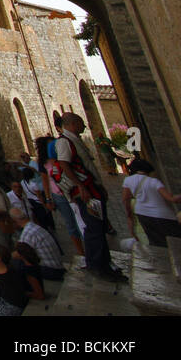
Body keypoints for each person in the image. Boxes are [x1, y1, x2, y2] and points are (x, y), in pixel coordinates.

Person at [54, 112, 126, 281]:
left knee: (99, 227)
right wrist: (80, 186)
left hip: (91, 189)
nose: (85, 126)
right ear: (72, 124)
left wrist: (99, 186)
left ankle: (103, 263)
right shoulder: (65, 142)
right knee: (94, 228)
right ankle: (98, 266)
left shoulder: (73, 140)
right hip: (85, 192)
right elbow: (64, 164)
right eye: (80, 123)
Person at [37, 136, 85, 261]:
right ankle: (81, 251)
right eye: (49, 145)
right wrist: (48, 199)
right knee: (70, 223)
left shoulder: (62, 158)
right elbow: (45, 181)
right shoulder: (43, 163)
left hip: (73, 192)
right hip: (59, 195)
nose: (52, 146)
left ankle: (89, 244)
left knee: (83, 219)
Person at [122, 158, 181, 247]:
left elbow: (125, 199)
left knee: (157, 243)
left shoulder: (128, 181)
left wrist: (129, 215)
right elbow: (171, 199)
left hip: (143, 215)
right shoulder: (154, 182)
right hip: (164, 216)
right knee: (179, 242)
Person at [9, 207, 64, 281]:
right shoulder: (33, 226)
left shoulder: (27, 233)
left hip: (51, 270)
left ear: (14, 221)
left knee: (16, 263)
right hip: (57, 267)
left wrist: (5, 256)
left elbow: (19, 253)